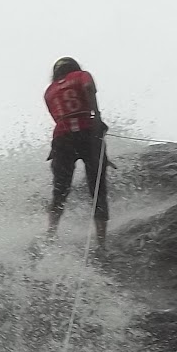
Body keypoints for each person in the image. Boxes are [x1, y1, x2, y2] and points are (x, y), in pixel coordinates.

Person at [44, 57, 109, 253]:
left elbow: (57, 116)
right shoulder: (82, 76)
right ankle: (101, 242)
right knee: (97, 188)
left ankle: (50, 234)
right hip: (88, 133)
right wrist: (97, 117)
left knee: (60, 190)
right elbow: (88, 88)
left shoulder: (49, 90)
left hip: (62, 138)